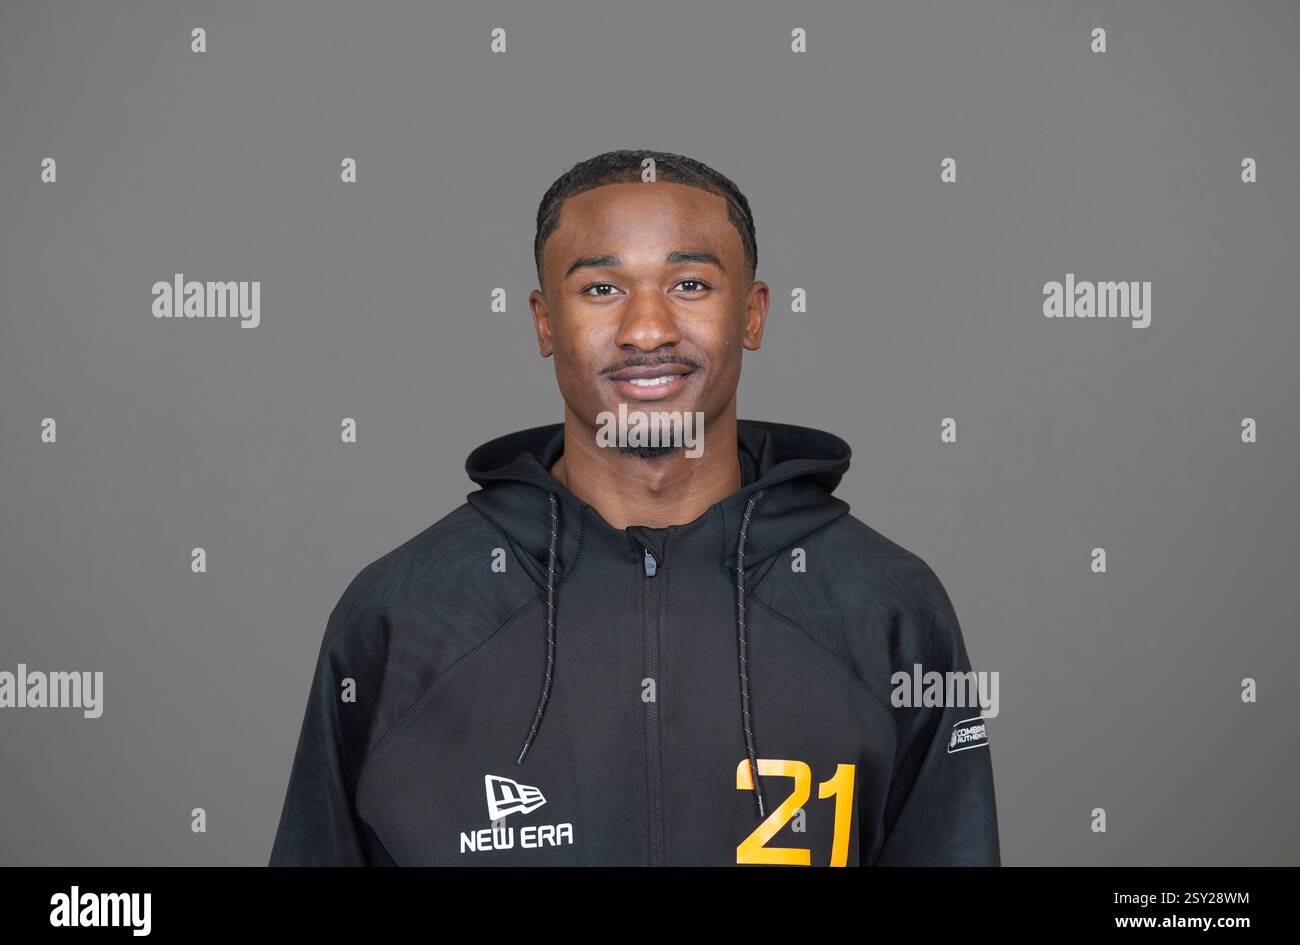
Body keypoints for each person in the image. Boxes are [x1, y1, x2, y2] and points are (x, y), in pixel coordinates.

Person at [269, 148, 1000, 866]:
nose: (646, 330)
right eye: (599, 290)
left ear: (752, 313)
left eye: (688, 284)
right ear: (544, 321)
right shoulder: (404, 617)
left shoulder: (888, 610)